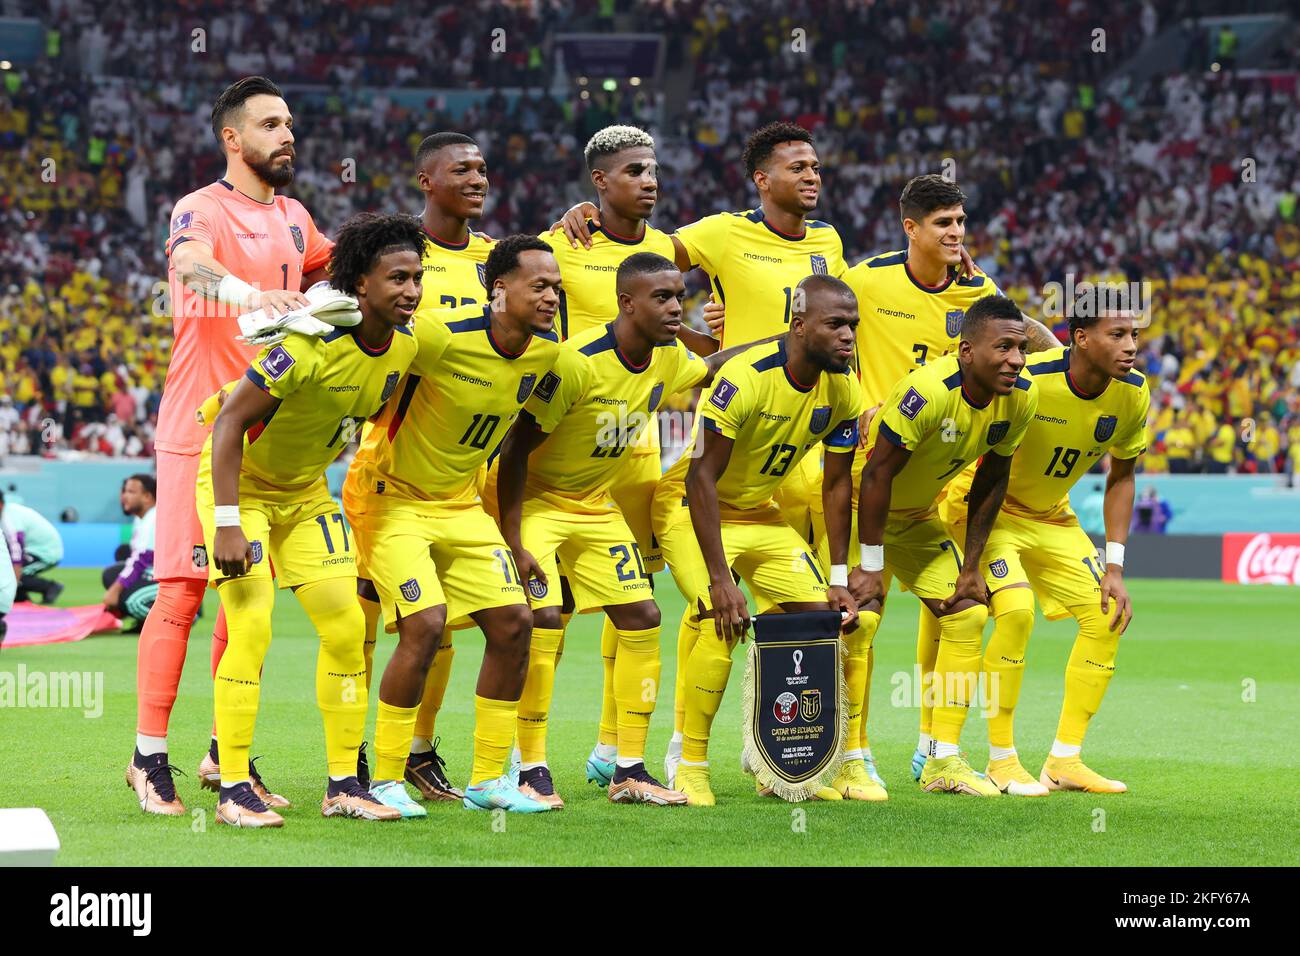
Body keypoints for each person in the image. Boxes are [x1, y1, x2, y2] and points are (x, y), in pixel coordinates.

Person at [495, 252, 766, 806]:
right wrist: (514, 537)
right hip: (541, 501)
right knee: (544, 617)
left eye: (680, 296)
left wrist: (780, 348)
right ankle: (530, 765)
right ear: (626, 303)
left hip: (595, 505)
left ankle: (629, 769)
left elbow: (714, 366)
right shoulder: (576, 362)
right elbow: (515, 450)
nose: (676, 308)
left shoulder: (667, 357)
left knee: (642, 615)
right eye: (663, 298)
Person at [131, 75, 333, 815]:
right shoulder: (201, 209)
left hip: (265, 438)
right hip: (197, 427)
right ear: (233, 138)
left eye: (290, 123)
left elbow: (339, 266)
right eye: (272, 124)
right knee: (183, 592)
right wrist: (255, 298)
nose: (287, 135)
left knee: (242, 598)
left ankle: (225, 754)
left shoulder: (294, 216)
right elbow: (188, 267)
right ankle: (148, 757)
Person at [198, 212, 434, 828]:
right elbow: (227, 426)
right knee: (251, 624)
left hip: (304, 494)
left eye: (417, 277)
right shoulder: (305, 342)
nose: (411, 291)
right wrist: (226, 522)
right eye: (397, 278)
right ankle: (232, 786)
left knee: (344, 623)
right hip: (238, 487)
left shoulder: (404, 347)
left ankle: (343, 785)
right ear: (359, 283)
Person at [343, 235, 562, 815]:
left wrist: (513, 538)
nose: (551, 298)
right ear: (499, 289)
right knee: (426, 625)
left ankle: (489, 780)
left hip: (462, 506)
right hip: (390, 498)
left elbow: (517, 443)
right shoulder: (438, 336)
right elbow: (368, 348)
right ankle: (386, 778)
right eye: (538, 286)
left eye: (556, 288)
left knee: (518, 621)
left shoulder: (545, 355)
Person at [656, 275, 863, 806]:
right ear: (799, 326)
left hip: (761, 515)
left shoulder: (843, 388)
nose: (848, 338)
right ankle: (690, 764)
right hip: (691, 506)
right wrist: (722, 579)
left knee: (823, 623)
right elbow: (700, 477)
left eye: (854, 327)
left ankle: (778, 761)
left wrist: (838, 578)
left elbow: (839, 485)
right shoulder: (746, 378)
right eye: (836, 325)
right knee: (719, 617)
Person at [940, 309, 1150, 794]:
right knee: (1015, 613)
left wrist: (1115, 567)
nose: (1131, 346)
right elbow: (989, 464)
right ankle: (1001, 759)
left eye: (1134, 335)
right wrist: (970, 561)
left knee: (1106, 615)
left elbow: (1122, 476)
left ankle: (1065, 760)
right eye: (1116, 334)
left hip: (1051, 515)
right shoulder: (1031, 382)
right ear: (1080, 338)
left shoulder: (1134, 391)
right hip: (987, 509)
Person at [529, 125, 680, 787]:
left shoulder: (670, 248)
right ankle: (522, 754)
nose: (649, 180)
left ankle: (614, 749)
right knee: (550, 611)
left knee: (637, 603)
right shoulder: (560, 243)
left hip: (637, 450)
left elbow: (678, 334)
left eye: (653, 170)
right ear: (599, 181)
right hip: (564, 445)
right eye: (634, 170)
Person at [356, 131, 496, 805]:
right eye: (460, 168)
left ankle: (415, 751)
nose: (476, 177)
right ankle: (350, 753)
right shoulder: (395, 254)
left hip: (462, 478)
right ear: (425, 179)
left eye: (481, 167)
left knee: (441, 628)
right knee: (359, 624)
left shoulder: (501, 260)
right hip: (386, 466)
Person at [852, 295, 1039, 797]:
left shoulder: (1021, 397)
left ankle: (942, 760)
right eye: (1002, 347)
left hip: (915, 517)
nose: (1016, 360)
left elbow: (992, 478)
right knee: (861, 617)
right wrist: (870, 566)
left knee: (967, 612)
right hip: (855, 508)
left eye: (1021, 348)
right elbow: (875, 474)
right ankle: (850, 756)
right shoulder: (928, 391)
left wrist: (972, 565)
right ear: (966, 350)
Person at [102, 473, 158, 629]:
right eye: (125, 491)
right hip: (150, 574)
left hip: (163, 578)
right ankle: (143, 621)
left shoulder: (154, 518)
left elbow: (141, 559)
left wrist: (115, 590)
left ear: (147, 496)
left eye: (131, 492)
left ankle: (180, 618)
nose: (125, 496)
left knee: (133, 602)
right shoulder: (142, 518)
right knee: (111, 574)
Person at [0, 494, 65, 605]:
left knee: (11, 573)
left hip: (46, 551)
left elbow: (16, 556)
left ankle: (49, 587)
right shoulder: (6, 512)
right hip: (33, 549)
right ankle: (22, 602)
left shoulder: (9, 520)